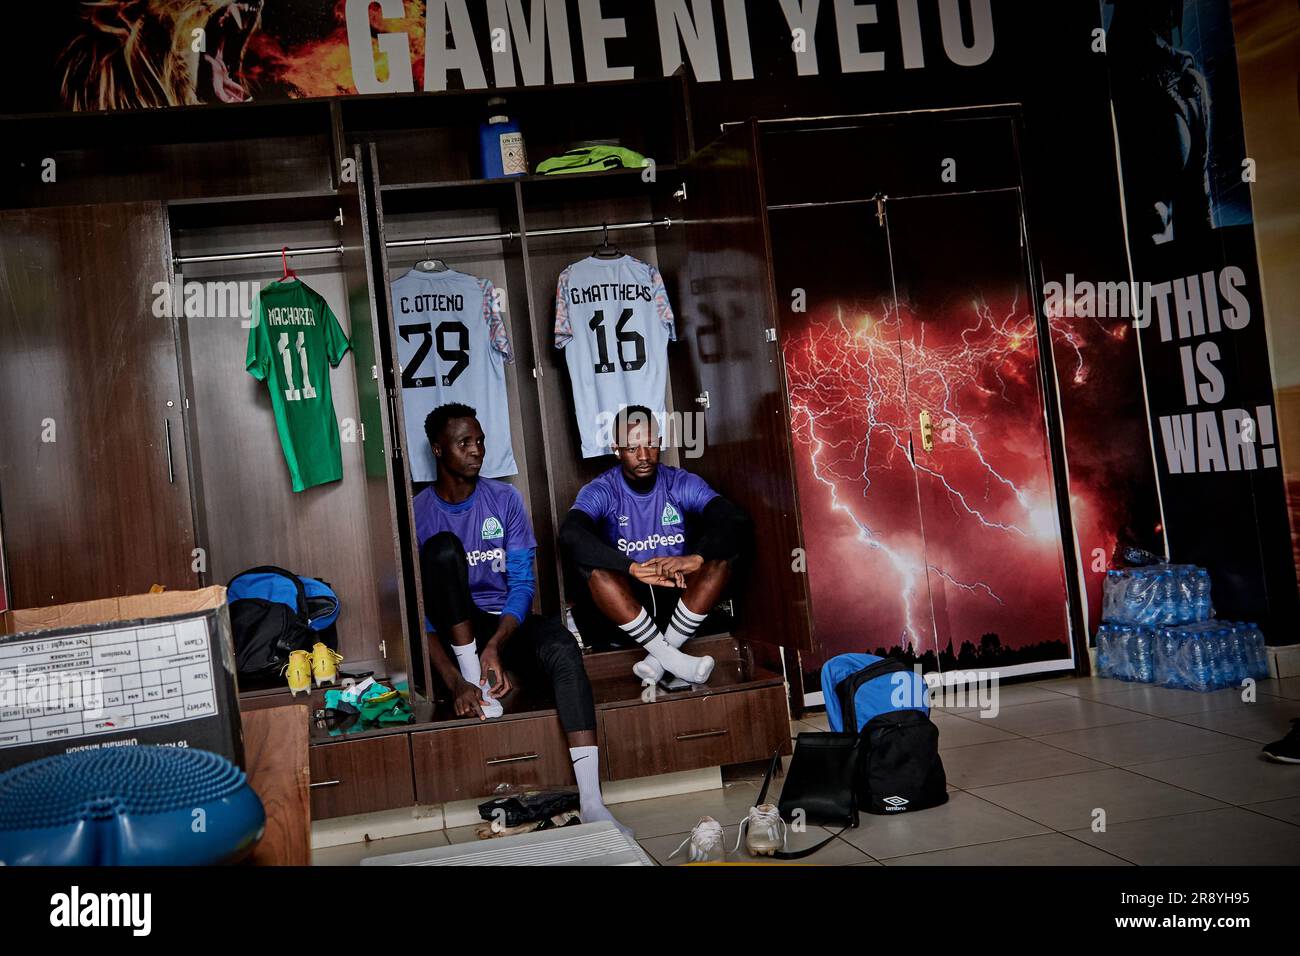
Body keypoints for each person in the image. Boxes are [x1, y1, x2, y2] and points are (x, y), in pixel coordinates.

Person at [413, 402, 629, 835]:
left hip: (504, 624)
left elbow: (521, 584)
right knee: (442, 551)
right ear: (438, 450)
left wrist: (497, 643)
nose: (476, 451)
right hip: (457, 634)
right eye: (464, 443)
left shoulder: (505, 498)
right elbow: (420, 616)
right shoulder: (418, 511)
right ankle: (478, 683)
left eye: (480, 442)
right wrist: (456, 680)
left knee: (564, 649)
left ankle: (591, 800)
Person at [560, 405, 753, 684]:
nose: (643, 456)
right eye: (632, 448)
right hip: (628, 605)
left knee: (720, 561)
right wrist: (631, 567)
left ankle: (657, 661)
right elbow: (569, 535)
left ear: (659, 442)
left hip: (680, 598)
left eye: (650, 445)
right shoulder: (602, 489)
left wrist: (696, 558)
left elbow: (735, 519)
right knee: (594, 571)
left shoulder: (680, 482)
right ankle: (672, 659)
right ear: (616, 448)